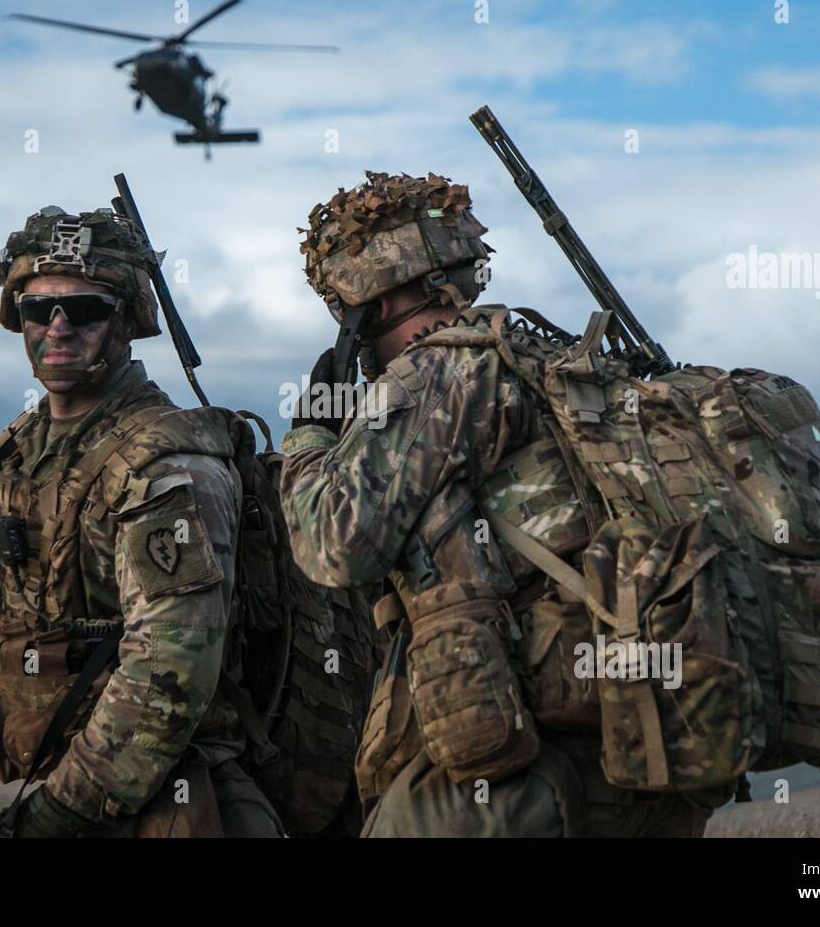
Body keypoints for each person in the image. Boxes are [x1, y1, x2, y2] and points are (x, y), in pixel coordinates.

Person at [279, 171, 732, 836]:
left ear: (367, 307)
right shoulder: (551, 360)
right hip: (643, 730)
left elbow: (332, 547)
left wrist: (312, 434)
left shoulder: (437, 373)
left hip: (529, 757)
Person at [0, 205, 282, 837]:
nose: (58, 328)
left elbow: (169, 673)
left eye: (85, 311)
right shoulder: (21, 450)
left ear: (126, 322)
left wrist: (48, 818)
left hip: (161, 795)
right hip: (50, 777)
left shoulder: (167, 465)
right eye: (38, 310)